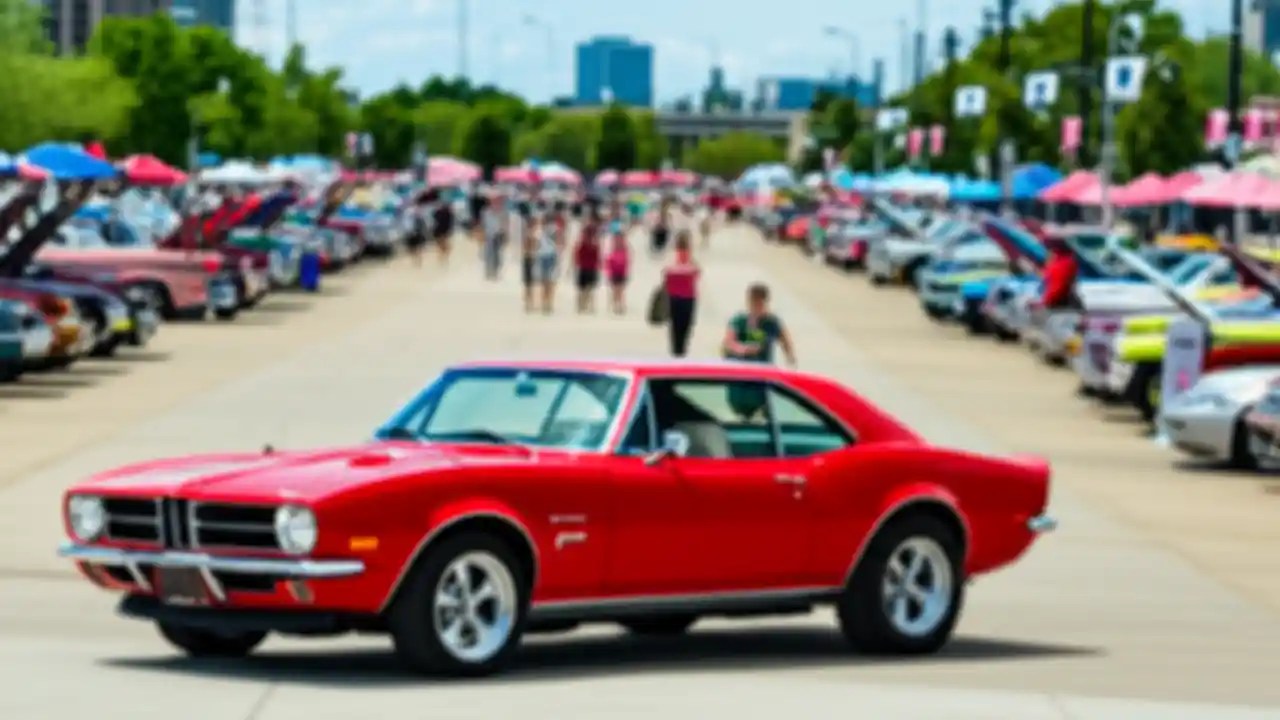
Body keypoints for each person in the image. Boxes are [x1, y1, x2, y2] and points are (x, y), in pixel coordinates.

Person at [722, 283, 797, 366]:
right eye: (754, 302)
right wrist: (743, 349)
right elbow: (728, 342)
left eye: (760, 303)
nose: (756, 306)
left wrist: (790, 356)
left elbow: (785, 340)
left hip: (763, 367)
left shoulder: (771, 322)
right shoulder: (739, 320)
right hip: (739, 366)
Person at [662, 231, 700, 357]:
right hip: (688, 297)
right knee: (686, 326)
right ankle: (681, 350)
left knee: (675, 326)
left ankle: (676, 350)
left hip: (674, 298)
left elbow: (666, 276)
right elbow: (696, 274)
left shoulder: (672, 258)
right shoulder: (691, 260)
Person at [533, 211, 561, 314]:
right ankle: (545, 303)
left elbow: (558, 241)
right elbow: (536, 244)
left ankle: (549, 303)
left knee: (550, 281)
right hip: (542, 256)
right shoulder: (539, 230)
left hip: (551, 256)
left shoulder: (553, 229)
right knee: (544, 282)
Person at [574, 211, 602, 313]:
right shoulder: (583, 236)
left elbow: (598, 250)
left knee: (590, 287)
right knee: (582, 288)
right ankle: (581, 306)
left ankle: (587, 306)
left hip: (591, 265)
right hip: (584, 264)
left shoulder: (595, 236)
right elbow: (577, 249)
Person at [480, 192, 505, 280]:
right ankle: (488, 272)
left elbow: (504, 224)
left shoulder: (501, 211)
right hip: (489, 235)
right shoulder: (485, 212)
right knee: (488, 254)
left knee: (497, 254)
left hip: (498, 235)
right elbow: (483, 225)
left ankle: (496, 272)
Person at [606, 225, 630, 315]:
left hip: (622, 272)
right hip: (614, 271)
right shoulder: (613, 248)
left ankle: (620, 306)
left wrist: (626, 271)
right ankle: (615, 305)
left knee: (621, 290)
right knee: (615, 289)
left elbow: (627, 261)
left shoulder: (625, 248)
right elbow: (609, 260)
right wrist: (609, 271)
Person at [520, 207, 538, 312]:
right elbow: (526, 249)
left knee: (530, 284)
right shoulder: (530, 234)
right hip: (530, 260)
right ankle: (528, 303)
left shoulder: (532, 234)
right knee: (529, 283)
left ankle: (529, 303)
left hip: (530, 259)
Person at [431, 189, 455, 265]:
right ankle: (442, 259)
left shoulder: (442, 211)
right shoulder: (440, 211)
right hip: (440, 230)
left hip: (442, 230)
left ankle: (442, 259)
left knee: (444, 246)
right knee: (443, 246)